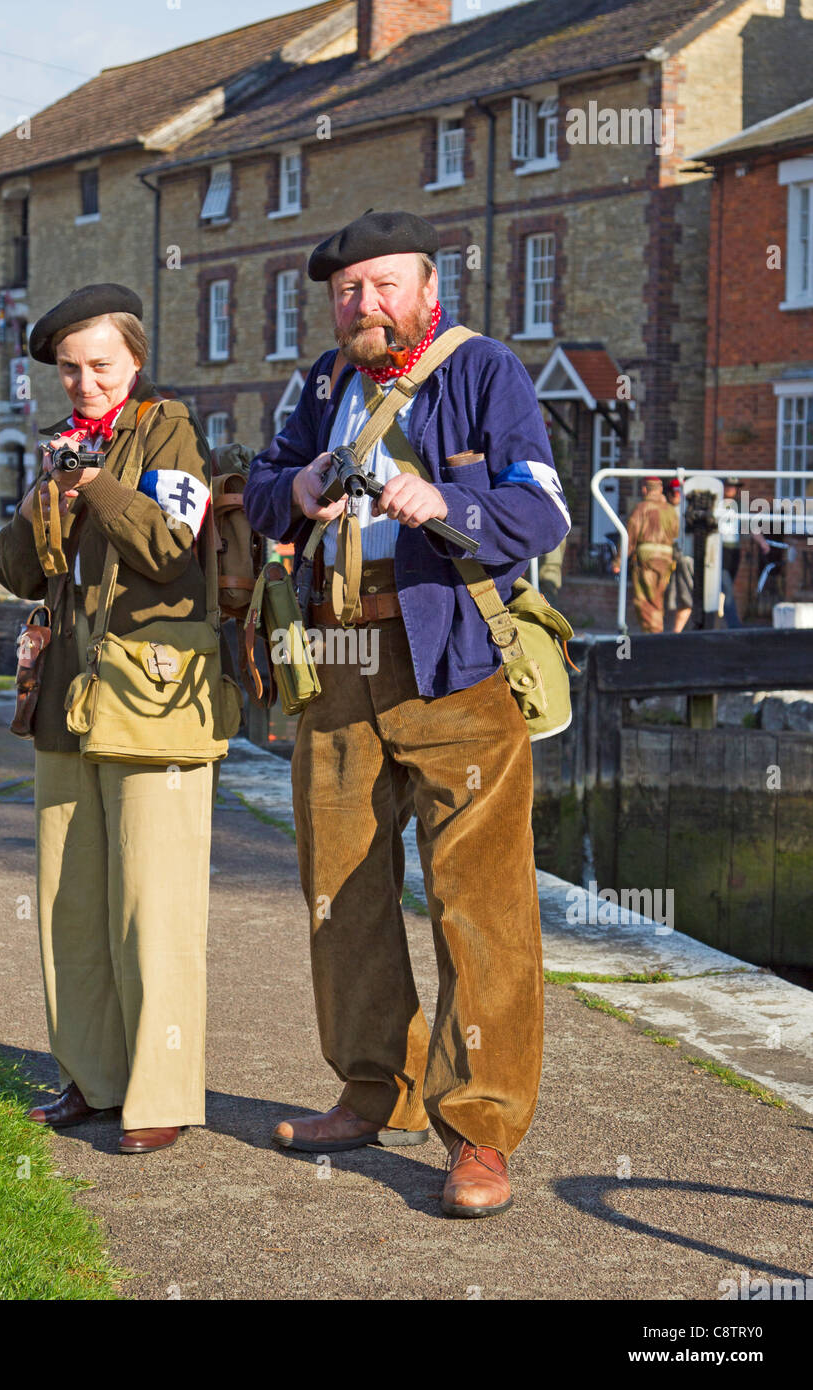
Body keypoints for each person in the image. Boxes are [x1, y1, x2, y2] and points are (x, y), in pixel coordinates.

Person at [243, 210, 570, 1218]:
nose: (363, 304)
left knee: (482, 903)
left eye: (382, 284)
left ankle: (479, 1131)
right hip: (337, 659)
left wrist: (446, 507)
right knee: (341, 892)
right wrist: (297, 486)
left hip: (456, 663)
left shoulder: (487, 372)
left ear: (430, 285)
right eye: (347, 291)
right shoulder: (320, 384)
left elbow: (545, 509)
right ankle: (371, 1086)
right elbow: (255, 495)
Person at [0, 283, 216, 1154]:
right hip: (64, 699)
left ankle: (159, 1092)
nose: (85, 384)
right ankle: (94, 1077)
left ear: (134, 362)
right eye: (69, 370)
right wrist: (43, 495)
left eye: (101, 367)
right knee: (69, 903)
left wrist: (97, 485)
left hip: (155, 695)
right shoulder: (61, 447)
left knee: (151, 906)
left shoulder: (168, 431)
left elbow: (167, 547)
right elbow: (17, 572)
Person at [624, 476, 678, 633]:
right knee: (658, 600)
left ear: (645, 489)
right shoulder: (671, 510)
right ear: (661, 489)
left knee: (646, 602)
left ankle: (653, 638)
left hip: (646, 560)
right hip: (666, 560)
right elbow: (675, 533)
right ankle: (655, 635)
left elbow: (630, 535)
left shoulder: (641, 508)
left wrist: (618, 561)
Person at [665, 479, 693, 633]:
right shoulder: (666, 510)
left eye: (680, 493)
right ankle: (674, 631)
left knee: (685, 596)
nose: (677, 496)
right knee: (676, 598)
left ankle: (677, 631)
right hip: (670, 558)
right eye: (675, 493)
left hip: (683, 558)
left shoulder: (687, 509)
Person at [716, 477, 743, 628]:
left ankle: (721, 620)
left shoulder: (738, 506)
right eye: (728, 486)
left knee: (726, 587)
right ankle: (734, 625)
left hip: (734, 550)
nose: (731, 489)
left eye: (734, 487)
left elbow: (749, 525)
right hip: (721, 549)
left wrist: (763, 543)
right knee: (727, 587)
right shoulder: (716, 504)